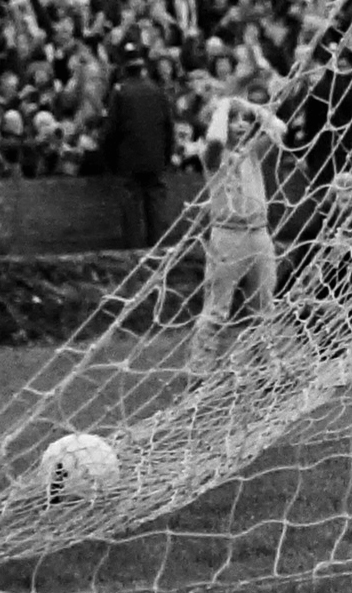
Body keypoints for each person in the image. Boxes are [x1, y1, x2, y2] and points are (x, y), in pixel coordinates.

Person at [187, 96, 284, 375]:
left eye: (244, 121)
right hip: (228, 235)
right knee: (218, 310)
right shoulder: (212, 154)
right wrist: (222, 106)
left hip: (259, 233)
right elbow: (216, 140)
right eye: (234, 120)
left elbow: (280, 128)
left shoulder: (252, 151)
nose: (241, 125)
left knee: (264, 306)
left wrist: (248, 105)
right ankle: (200, 371)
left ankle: (267, 366)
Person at [100, 43, 179, 249]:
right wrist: (165, 158)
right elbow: (169, 129)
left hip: (129, 162)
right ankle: (158, 252)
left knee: (132, 211)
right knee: (155, 209)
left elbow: (110, 132)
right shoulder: (157, 91)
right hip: (154, 160)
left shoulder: (120, 92)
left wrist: (110, 161)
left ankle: (135, 255)